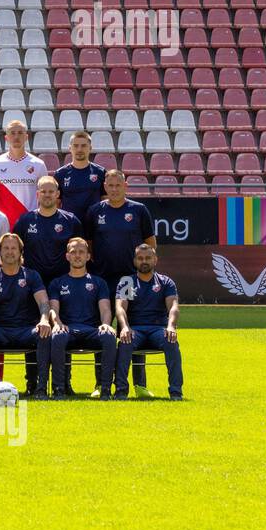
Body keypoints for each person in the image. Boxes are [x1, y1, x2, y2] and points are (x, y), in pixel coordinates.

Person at [86, 169, 156, 396]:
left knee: (131, 328)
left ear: (125, 186)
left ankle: (139, 384)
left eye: (118, 185)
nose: (114, 189)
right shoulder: (95, 211)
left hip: (128, 278)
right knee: (103, 328)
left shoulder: (138, 210)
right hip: (103, 278)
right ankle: (101, 383)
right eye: (110, 185)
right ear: (105, 187)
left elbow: (150, 244)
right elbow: (88, 244)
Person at [0, 233, 53, 397]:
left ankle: (40, 389)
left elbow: (43, 302)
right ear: (0, 252)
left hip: (26, 330)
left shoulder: (32, 276)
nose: (10, 252)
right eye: (6, 248)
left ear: (20, 253)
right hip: (0, 331)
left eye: (13, 248)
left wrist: (45, 319)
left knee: (44, 332)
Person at [47, 237, 117, 398]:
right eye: (73, 252)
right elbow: (53, 309)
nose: (77, 255)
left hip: (92, 331)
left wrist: (106, 324)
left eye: (81, 252)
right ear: (67, 256)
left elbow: (106, 309)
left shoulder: (99, 283)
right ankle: (59, 389)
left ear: (87, 256)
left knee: (108, 336)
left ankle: (105, 389)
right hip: (67, 330)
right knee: (57, 336)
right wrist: (57, 323)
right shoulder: (57, 283)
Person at [114, 243, 184, 401]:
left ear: (155, 260)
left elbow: (173, 306)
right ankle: (120, 391)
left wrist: (171, 327)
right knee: (124, 342)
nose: (144, 261)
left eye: (148, 258)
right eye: (140, 258)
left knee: (171, 341)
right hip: (135, 330)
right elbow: (120, 308)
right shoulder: (127, 282)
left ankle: (176, 392)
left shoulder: (165, 282)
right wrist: (124, 327)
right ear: (135, 261)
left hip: (158, 329)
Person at [12, 175, 82, 288]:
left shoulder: (71, 221)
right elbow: (15, 251)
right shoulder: (24, 221)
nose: (47, 195)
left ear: (58, 194)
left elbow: (81, 252)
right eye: (43, 191)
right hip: (32, 284)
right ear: (37, 194)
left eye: (51, 191)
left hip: (63, 284)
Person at [0, 119, 47, 227]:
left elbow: (44, 195)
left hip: (31, 222)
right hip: (4, 223)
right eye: (12, 133)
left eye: (20, 133)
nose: (16, 136)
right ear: (6, 138)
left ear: (26, 137)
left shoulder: (39, 164)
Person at [53, 130, 107, 229]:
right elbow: (56, 203)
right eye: (76, 145)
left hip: (95, 225)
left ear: (90, 148)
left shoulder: (100, 172)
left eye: (83, 146)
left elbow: (106, 200)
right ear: (70, 148)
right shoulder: (60, 174)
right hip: (69, 225)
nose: (79, 149)